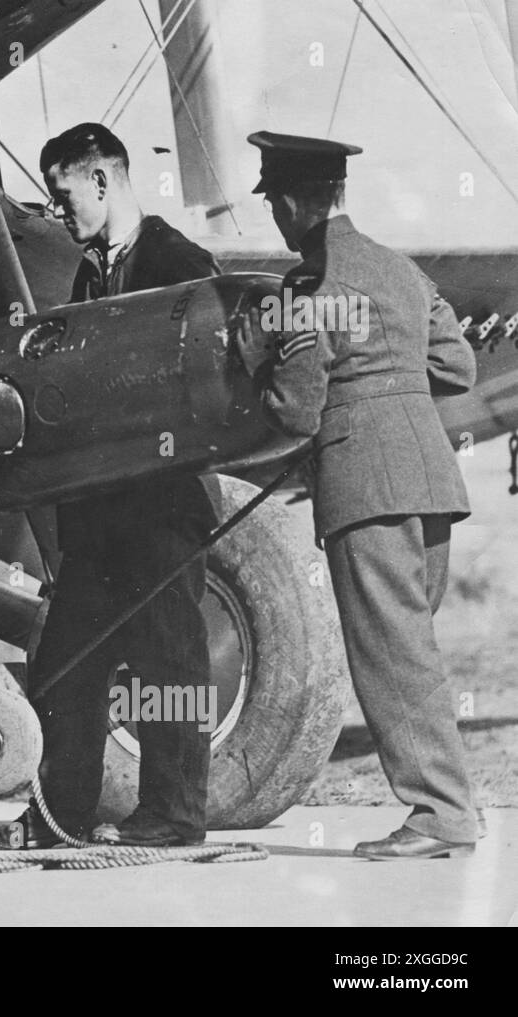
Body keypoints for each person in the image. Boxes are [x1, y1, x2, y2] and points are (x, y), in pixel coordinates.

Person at [237, 129, 479, 859]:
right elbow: (460, 367)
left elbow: (295, 408)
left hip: (364, 484)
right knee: (412, 646)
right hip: (432, 480)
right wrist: (391, 386)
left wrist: (257, 357)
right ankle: (454, 805)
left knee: (390, 652)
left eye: (273, 205)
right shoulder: (400, 270)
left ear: (286, 204)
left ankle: (440, 813)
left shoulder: (313, 286)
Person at [0, 123, 220, 850]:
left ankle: (174, 815)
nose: (58, 215)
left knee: (169, 660)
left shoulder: (182, 263)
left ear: (102, 181)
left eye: (63, 198)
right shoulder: (91, 272)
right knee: (64, 665)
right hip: (100, 518)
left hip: (160, 511)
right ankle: (60, 815)